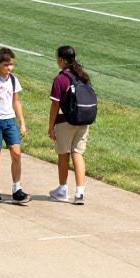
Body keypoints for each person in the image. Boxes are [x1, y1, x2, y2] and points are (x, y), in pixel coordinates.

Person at [0, 48, 30, 204]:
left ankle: (17, 189)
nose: (9, 68)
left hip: (10, 121)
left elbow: (16, 101)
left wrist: (22, 122)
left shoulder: (13, 80)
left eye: (11, 64)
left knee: (16, 154)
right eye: (6, 65)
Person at [48, 45, 90, 205]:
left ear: (60, 59)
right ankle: (80, 193)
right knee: (78, 153)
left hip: (65, 121)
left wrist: (51, 125)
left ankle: (62, 190)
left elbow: (55, 104)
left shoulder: (60, 79)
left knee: (64, 154)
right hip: (83, 120)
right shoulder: (82, 76)